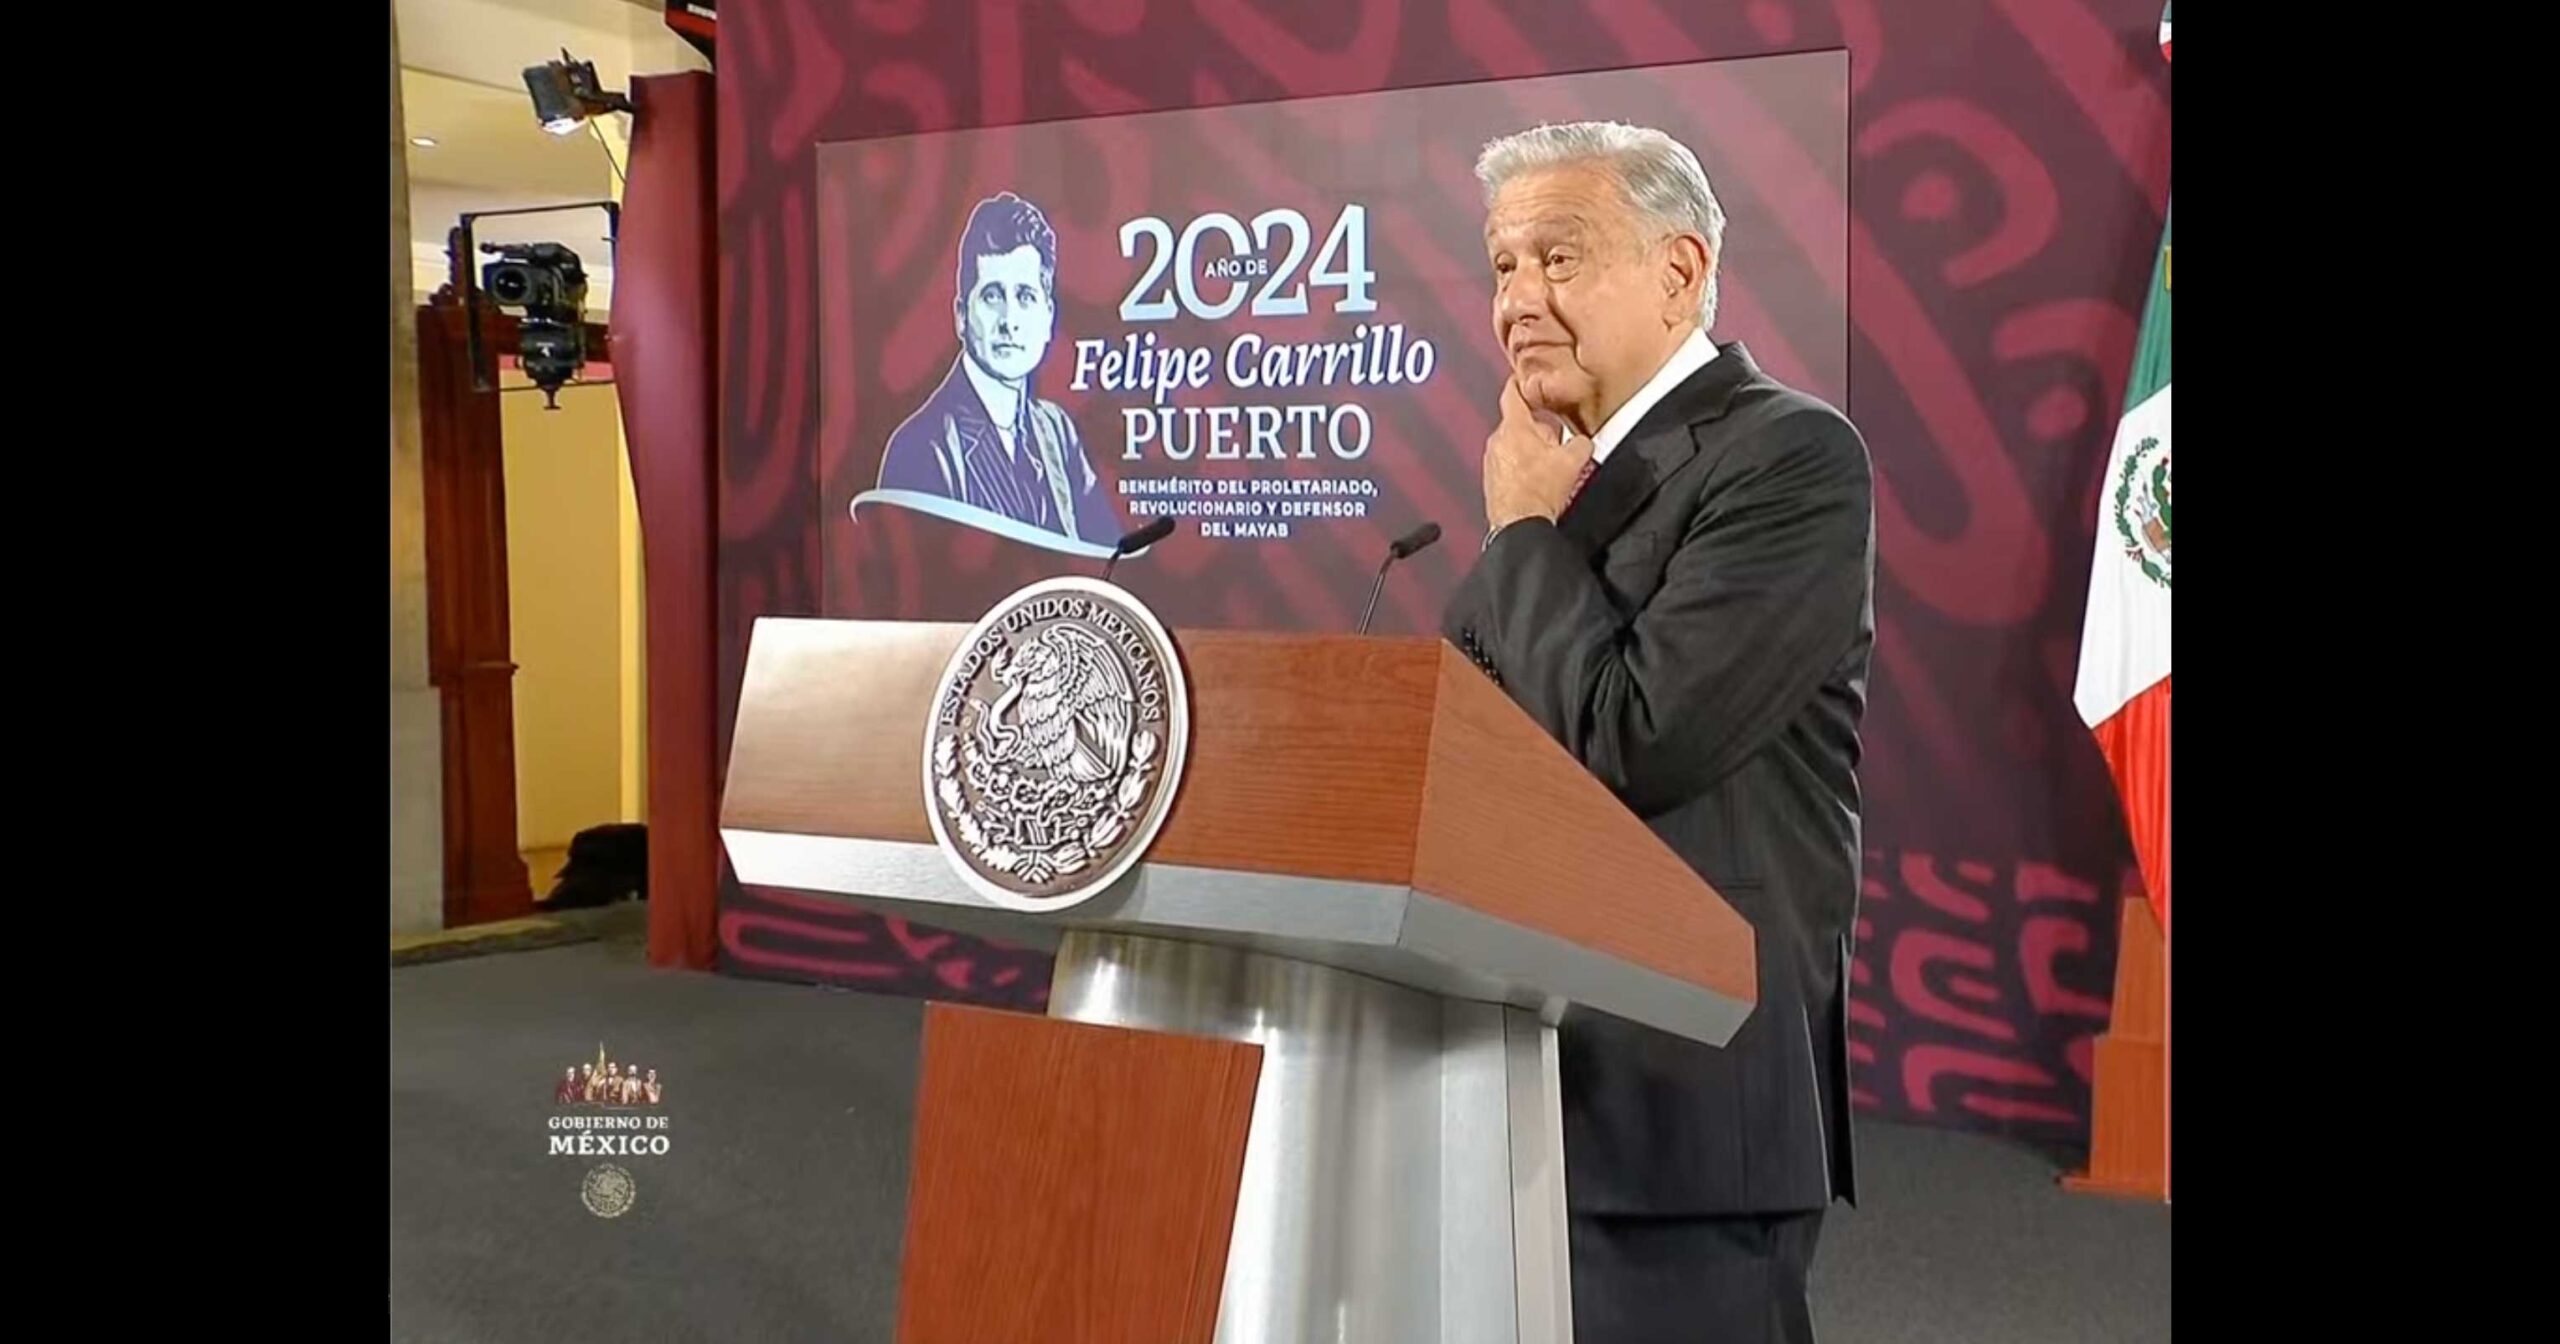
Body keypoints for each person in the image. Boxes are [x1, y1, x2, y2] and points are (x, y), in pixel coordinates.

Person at [1444, 121, 1875, 1343]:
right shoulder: (1556, 473)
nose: (1518, 298)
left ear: (1680, 273)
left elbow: (1633, 741)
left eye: (1557, 258)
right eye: (1501, 266)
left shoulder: (1789, 457)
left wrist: (1522, 539)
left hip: (1679, 1106)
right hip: (1516, 1074)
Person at [873, 191, 1122, 549]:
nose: (1009, 321)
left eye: (1025, 297)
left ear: (1048, 316)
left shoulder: (1056, 431)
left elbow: (1107, 555)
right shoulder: (920, 448)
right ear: (961, 316)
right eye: (992, 296)